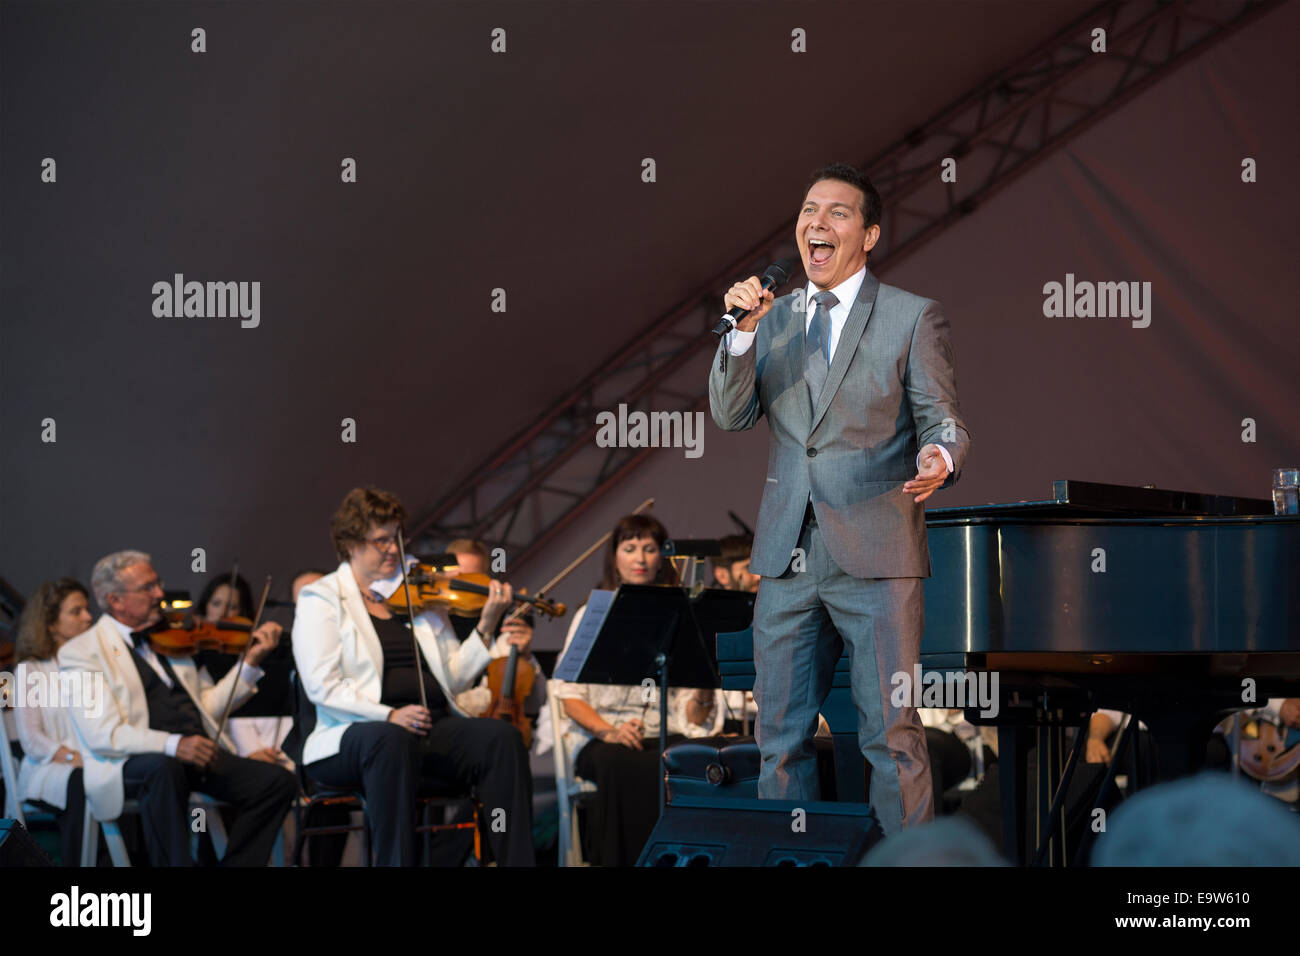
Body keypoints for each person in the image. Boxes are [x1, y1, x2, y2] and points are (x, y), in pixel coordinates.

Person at [708, 162, 971, 833]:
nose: (815, 224)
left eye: (836, 213)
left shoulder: (912, 316)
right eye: (807, 210)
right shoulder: (773, 320)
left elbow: (941, 417)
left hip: (877, 551)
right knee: (780, 740)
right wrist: (739, 333)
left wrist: (941, 455)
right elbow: (731, 414)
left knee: (891, 735)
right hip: (785, 552)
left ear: (870, 234)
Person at [292, 487, 535, 866]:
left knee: (500, 738)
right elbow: (322, 685)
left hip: (427, 729)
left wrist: (485, 628)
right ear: (352, 544)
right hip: (351, 737)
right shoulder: (321, 598)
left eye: (397, 538)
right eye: (381, 540)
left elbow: (452, 680)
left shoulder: (415, 594)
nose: (394, 549)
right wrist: (387, 714)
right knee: (390, 740)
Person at [59, 550, 297, 866]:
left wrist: (249, 663)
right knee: (164, 768)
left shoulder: (171, 639)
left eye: (158, 584)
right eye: (147, 588)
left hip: (195, 754)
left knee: (276, 782)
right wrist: (174, 745)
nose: (160, 595)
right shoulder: (81, 652)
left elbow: (207, 706)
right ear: (115, 601)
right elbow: (103, 733)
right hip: (129, 763)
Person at [551, 513, 723, 865]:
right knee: (622, 764)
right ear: (614, 556)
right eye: (630, 549)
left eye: (649, 549)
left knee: (692, 762)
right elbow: (568, 695)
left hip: (666, 731)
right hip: (604, 737)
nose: (641, 559)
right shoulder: (591, 614)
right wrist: (609, 731)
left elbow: (692, 714)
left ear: (662, 556)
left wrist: (708, 682)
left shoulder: (679, 613)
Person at [12, 579, 95, 865]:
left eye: (87, 609)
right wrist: (75, 757)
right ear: (50, 623)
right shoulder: (30, 670)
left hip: (90, 764)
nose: (88, 617)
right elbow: (32, 740)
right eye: (76, 611)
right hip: (46, 769)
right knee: (83, 782)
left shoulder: (91, 667)